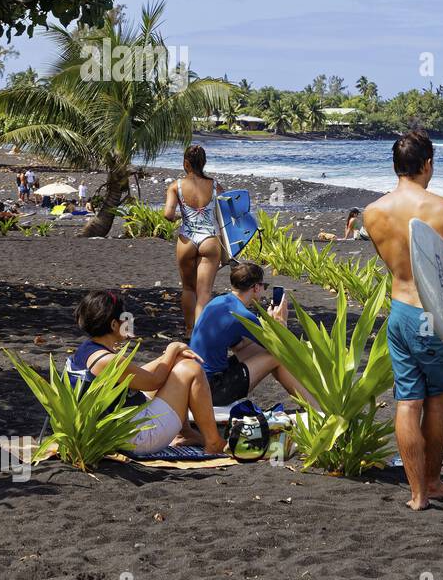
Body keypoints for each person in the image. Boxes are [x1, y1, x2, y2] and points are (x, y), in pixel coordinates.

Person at [363, 130, 443, 511]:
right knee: (436, 404)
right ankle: (431, 483)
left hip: (399, 312)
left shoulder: (373, 212)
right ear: (428, 163)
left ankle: (416, 495)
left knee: (407, 402)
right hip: (434, 318)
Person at [67, 290, 225, 454]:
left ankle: (184, 433)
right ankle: (214, 442)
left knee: (178, 363)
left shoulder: (87, 350)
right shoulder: (107, 361)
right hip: (134, 438)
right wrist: (172, 348)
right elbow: (154, 381)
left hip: (115, 426)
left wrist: (171, 357)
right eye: (125, 317)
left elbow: (137, 377)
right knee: (191, 369)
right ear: (114, 325)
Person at [189, 262, 316, 408]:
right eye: (264, 286)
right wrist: (281, 323)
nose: (263, 291)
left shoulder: (220, 301)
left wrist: (268, 327)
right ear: (256, 287)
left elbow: (240, 346)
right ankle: (316, 409)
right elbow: (282, 347)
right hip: (213, 390)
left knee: (264, 350)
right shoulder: (243, 315)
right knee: (276, 357)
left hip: (197, 382)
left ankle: (310, 402)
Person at [163, 145, 224, 336]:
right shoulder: (215, 186)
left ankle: (189, 330)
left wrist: (182, 217)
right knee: (204, 292)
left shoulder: (176, 186)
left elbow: (168, 215)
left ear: (185, 163)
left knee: (188, 288)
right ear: (203, 163)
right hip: (210, 239)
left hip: (187, 239)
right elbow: (223, 213)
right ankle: (200, 333)